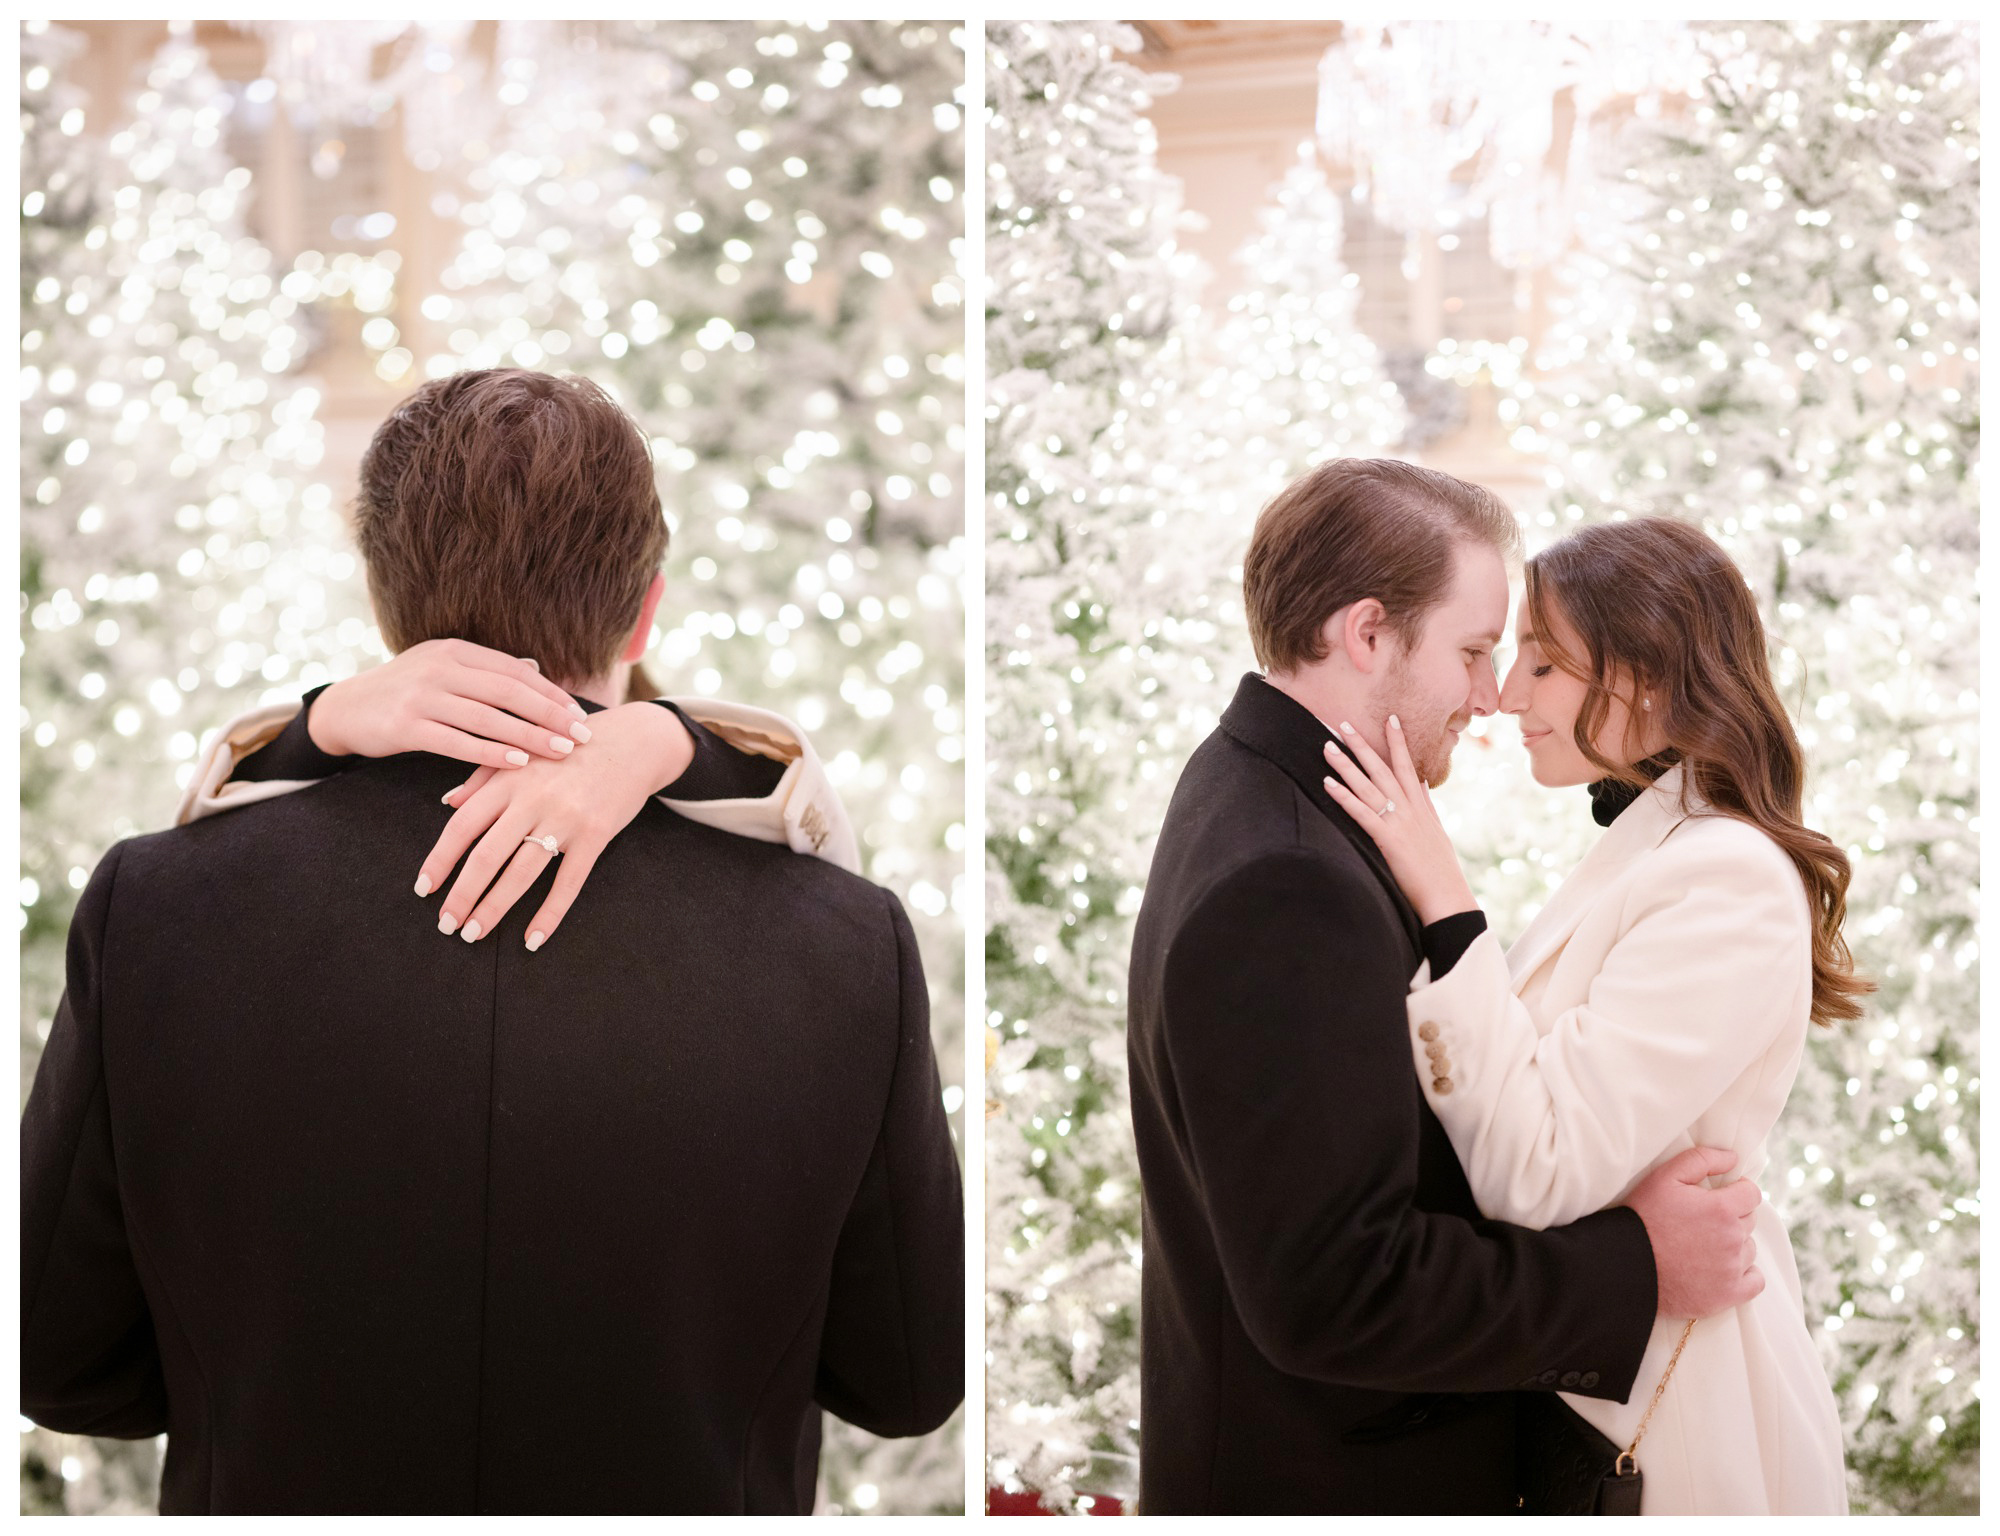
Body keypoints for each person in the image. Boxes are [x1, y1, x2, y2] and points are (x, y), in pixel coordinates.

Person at [20, 369, 963, 1514]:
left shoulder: (155, 907)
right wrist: (689, 743)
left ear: (382, 599)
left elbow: (63, 1364)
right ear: (646, 609)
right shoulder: (845, 944)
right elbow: (904, 1381)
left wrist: (308, 728)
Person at [1126, 458, 1764, 1514]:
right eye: (1473, 651)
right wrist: (1637, 1267)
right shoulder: (1290, 878)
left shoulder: (1250, 786)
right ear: (1366, 633)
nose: (1488, 695)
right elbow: (1337, 1292)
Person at [1321, 515, 1854, 1513]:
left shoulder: (1725, 876)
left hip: (1669, 1415)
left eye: (1544, 662)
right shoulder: (1661, 850)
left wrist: (1446, 901)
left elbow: (1541, 1173)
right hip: (1594, 1374)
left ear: (1644, 676)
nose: (1505, 695)